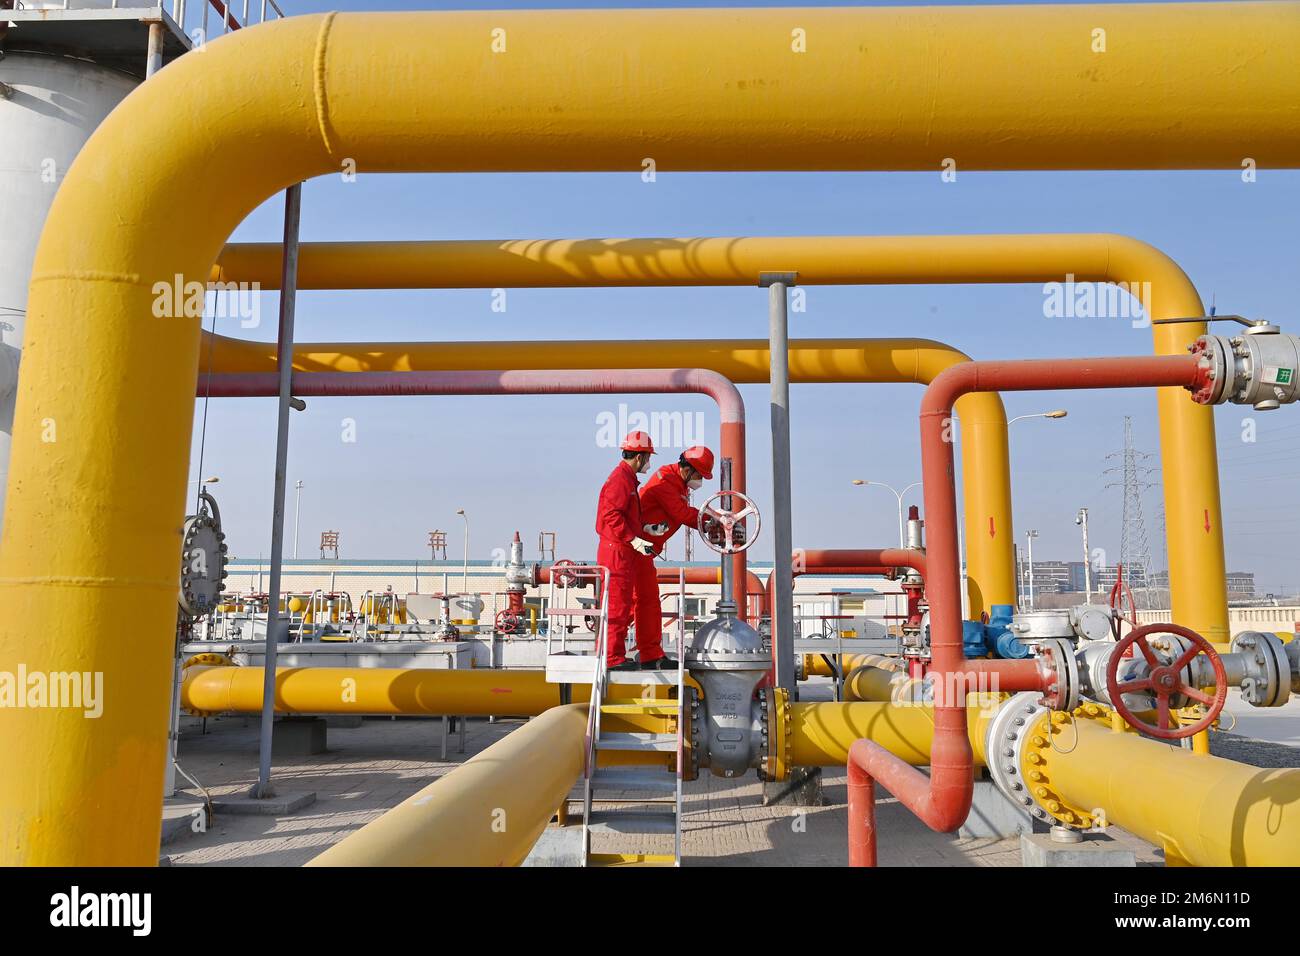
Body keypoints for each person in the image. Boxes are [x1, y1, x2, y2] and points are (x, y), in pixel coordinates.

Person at [630, 445, 720, 668]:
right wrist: (711, 519)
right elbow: (680, 513)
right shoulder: (666, 480)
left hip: (644, 552)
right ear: (687, 469)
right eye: (699, 475)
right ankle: (612, 656)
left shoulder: (677, 482)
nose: (700, 480)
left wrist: (710, 518)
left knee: (648, 602)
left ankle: (650, 655)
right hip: (636, 550)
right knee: (635, 603)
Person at [594, 431, 667, 671]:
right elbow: (611, 515)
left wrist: (646, 529)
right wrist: (633, 539)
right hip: (616, 550)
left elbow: (622, 515)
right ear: (639, 457)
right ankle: (612, 658)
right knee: (617, 603)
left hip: (620, 549)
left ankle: (614, 655)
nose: (649, 463)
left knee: (622, 601)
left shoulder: (625, 478)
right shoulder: (620, 480)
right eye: (647, 458)